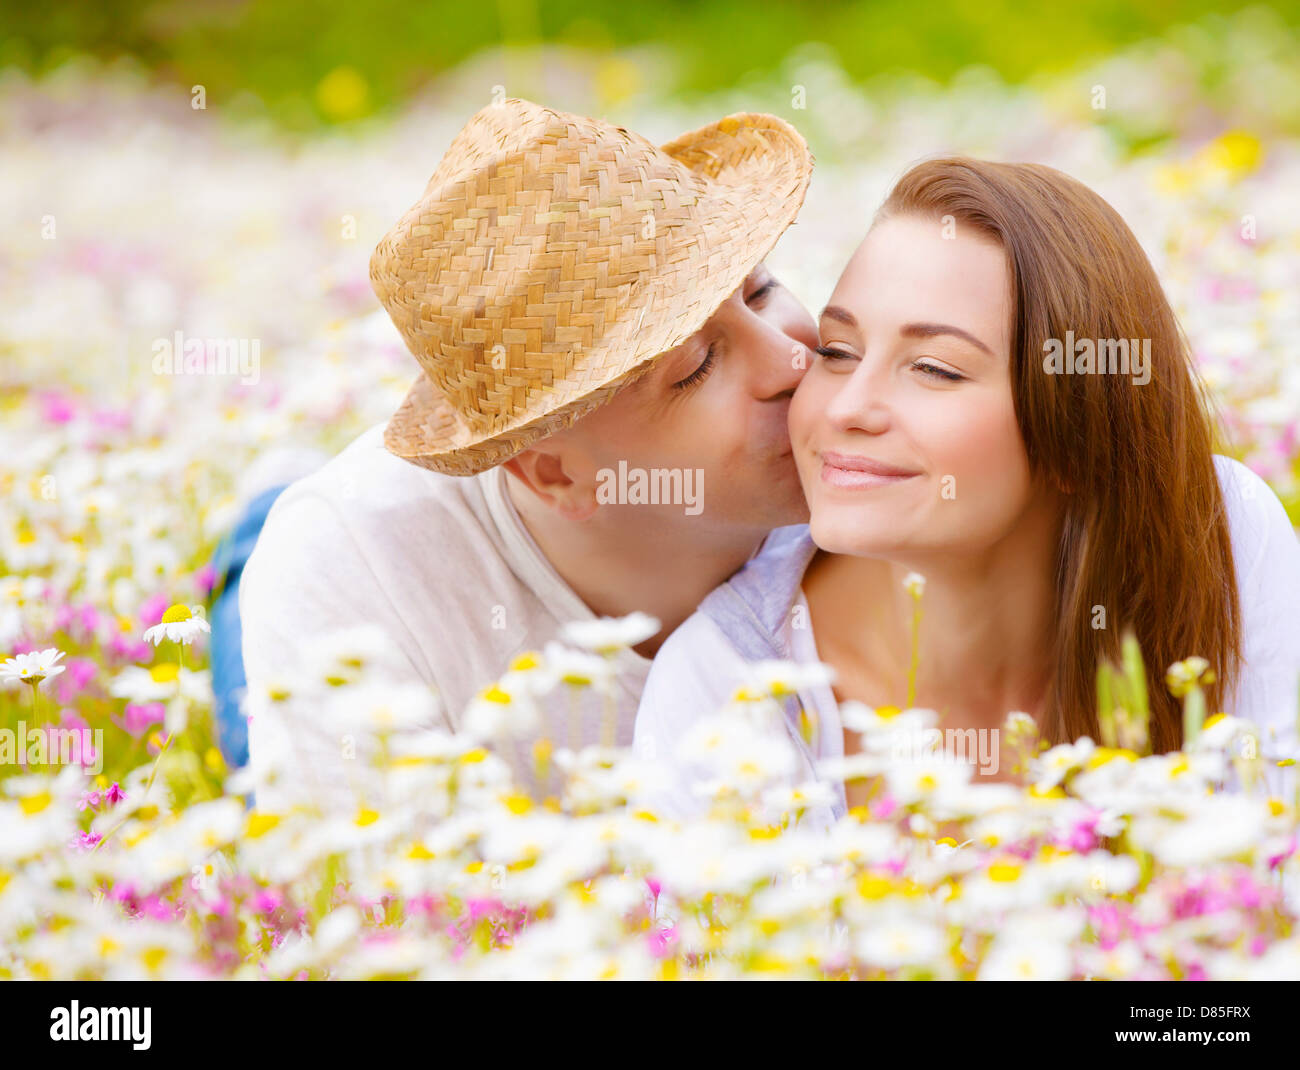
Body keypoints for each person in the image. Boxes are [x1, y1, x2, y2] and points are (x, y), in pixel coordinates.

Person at [633, 156, 1300, 824]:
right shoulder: (725, 689)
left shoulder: (1221, 534)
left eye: (934, 369)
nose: (846, 409)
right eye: (837, 352)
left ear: (1076, 432)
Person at [235, 98, 820, 813]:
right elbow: (362, 892)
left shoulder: (866, 460)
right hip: (324, 567)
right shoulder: (349, 580)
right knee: (249, 698)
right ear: (555, 472)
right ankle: (254, 516)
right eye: (697, 367)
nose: (793, 359)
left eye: (760, 290)